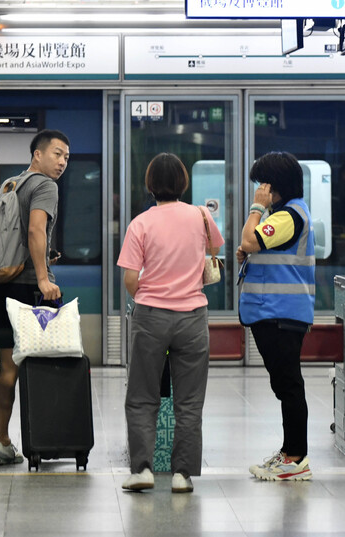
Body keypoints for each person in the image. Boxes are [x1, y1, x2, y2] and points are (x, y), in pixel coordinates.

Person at [117, 153, 223, 494]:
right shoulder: (201, 215)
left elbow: (130, 279)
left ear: (150, 185)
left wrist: (151, 290)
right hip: (193, 317)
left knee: (142, 397)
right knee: (189, 401)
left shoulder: (140, 224)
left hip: (151, 316)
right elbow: (215, 248)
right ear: (183, 183)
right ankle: (182, 475)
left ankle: (143, 469)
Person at [0, 129, 70, 465]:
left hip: (2, 285)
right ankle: (44, 439)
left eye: (66, 156)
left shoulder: (11, 183)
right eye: (56, 154)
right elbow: (35, 229)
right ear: (38, 154)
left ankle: (1, 441)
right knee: (40, 367)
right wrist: (45, 276)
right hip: (29, 288)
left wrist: (44, 258)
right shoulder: (46, 185)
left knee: (7, 367)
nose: (62, 162)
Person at [236, 151, 315, 482]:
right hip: (274, 311)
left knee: (289, 384)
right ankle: (289, 452)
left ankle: (296, 458)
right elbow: (254, 244)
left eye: (263, 182)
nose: (260, 188)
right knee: (285, 384)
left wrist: (255, 210)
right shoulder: (282, 215)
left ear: (276, 184)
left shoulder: (287, 216)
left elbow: (249, 239)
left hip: (280, 312)